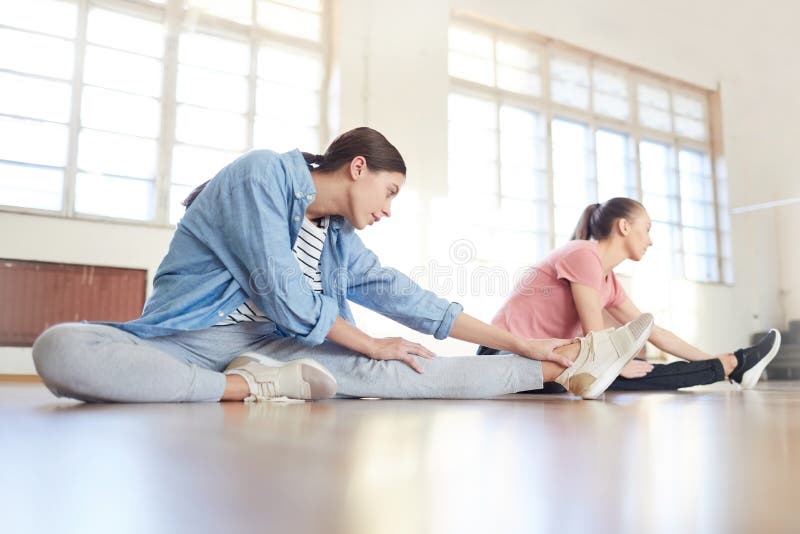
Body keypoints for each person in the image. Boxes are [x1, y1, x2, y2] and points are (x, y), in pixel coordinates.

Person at [31, 128, 653, 403]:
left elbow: (408, 299)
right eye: (389, 193)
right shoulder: (261, 176)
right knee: (62, 349)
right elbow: (283, 294)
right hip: (190, 344)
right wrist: (366, 344)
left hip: (279, 348)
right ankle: (246, 390)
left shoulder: (337, 239)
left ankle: (560, 375)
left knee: (409, 366)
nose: (388, 209)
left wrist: (524, 344)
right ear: (358, 167)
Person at [479, 197, 781, 392]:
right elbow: (595, 340)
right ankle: (732, 367)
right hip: (502, 355)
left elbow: (654, 332)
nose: (650, 240)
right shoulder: (583, 255)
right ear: (624, 226)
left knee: (625, 372)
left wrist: (709, 356)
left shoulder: (608, 281)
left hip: (549, 361)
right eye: (647, 229)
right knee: (618, 372)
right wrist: (618, 364)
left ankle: (729, 365)